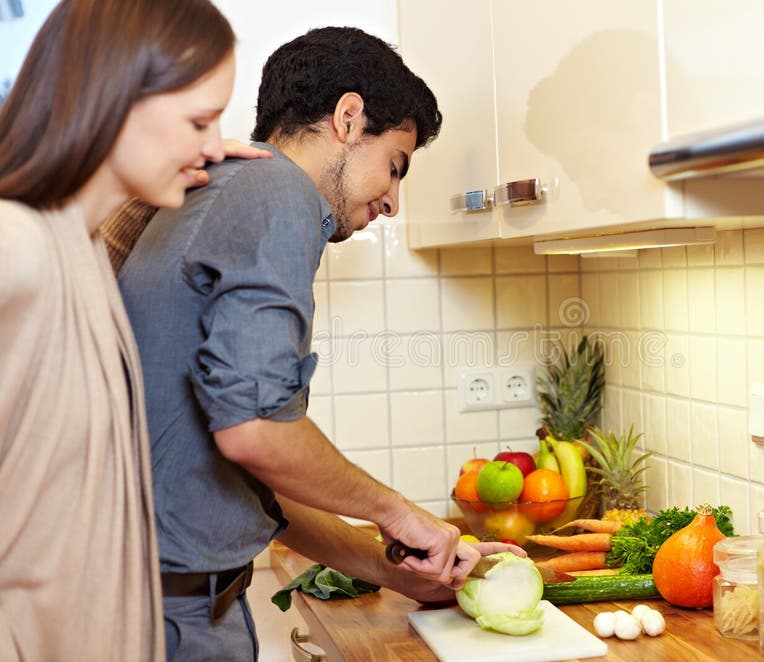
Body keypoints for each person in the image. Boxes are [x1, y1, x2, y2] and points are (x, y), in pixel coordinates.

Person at [112, 26, 521, 660]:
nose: (392, 201)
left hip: (161, 606)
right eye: (394, 166)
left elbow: (253, 475)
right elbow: (258, 432)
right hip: (173, 621)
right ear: (348, 119)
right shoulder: (275, 192)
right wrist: (397, 512)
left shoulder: (226, 188)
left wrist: (392, 568)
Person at [0, 0, 238, 659]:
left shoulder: (76, 245)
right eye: (200, 120)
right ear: (115, 98)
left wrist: (190, 159)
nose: (214, 144)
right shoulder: (16, 247)